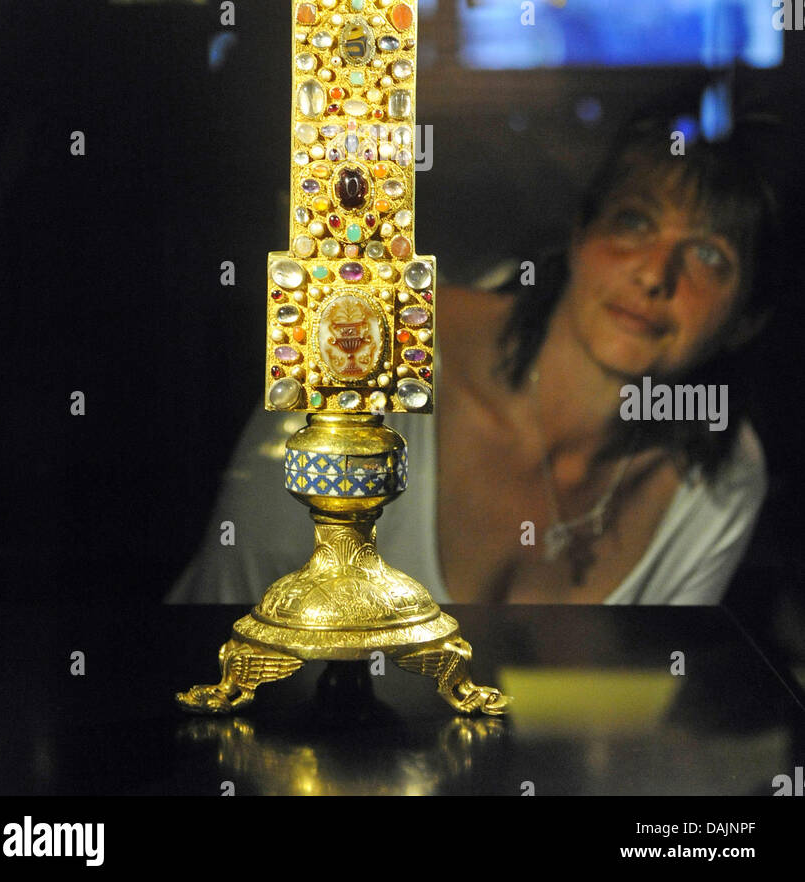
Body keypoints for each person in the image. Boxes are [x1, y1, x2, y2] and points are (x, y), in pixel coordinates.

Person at [167, 108, 780, 606]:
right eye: (635, 221)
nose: (654, 273)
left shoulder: (721, 470)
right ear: (578, 235)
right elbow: (230, 613)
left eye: (710, 257)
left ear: (746, 319)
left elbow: (632, 723)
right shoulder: (375, 349)